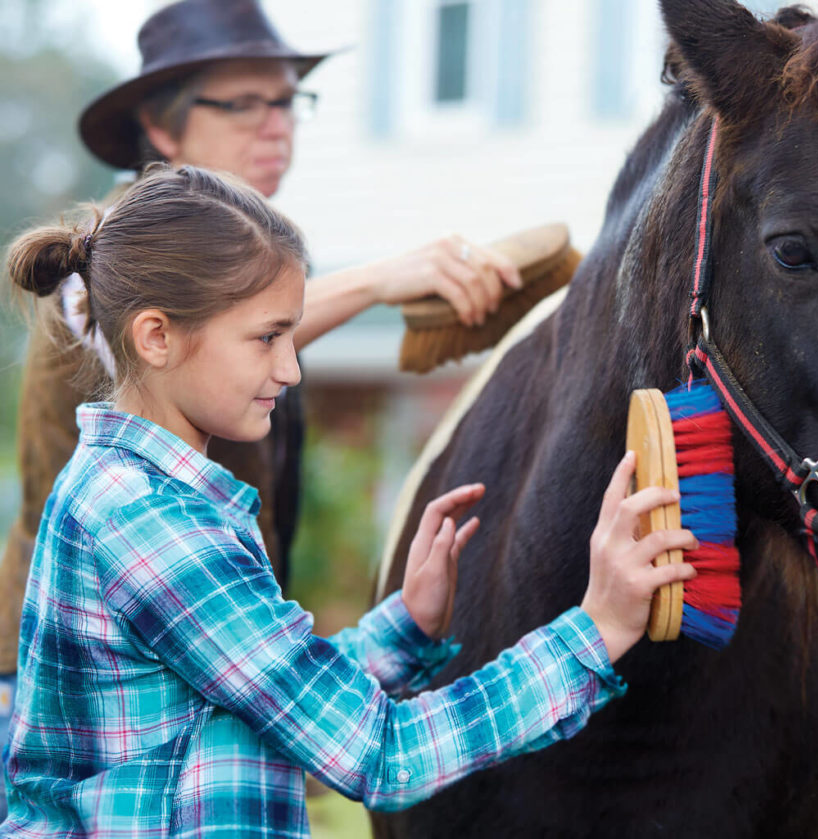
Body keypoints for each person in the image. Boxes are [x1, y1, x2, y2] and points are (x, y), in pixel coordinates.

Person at [0, 164, 697, 835]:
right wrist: (596, 629)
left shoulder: (128, 490)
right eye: (267, 336)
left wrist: (406, 628)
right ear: (157, 336)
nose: (291, 366)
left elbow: (260, 694)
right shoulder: (151, 521)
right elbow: (379, 753)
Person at [0, 0, 523, 789]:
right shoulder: (110, 263)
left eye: (287, 101)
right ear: (163, 129)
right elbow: (151, 328)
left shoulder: (240, 286)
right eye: (244, 103)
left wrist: (406, 625)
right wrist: (380, 278)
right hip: (85, 713)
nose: (276, 125)